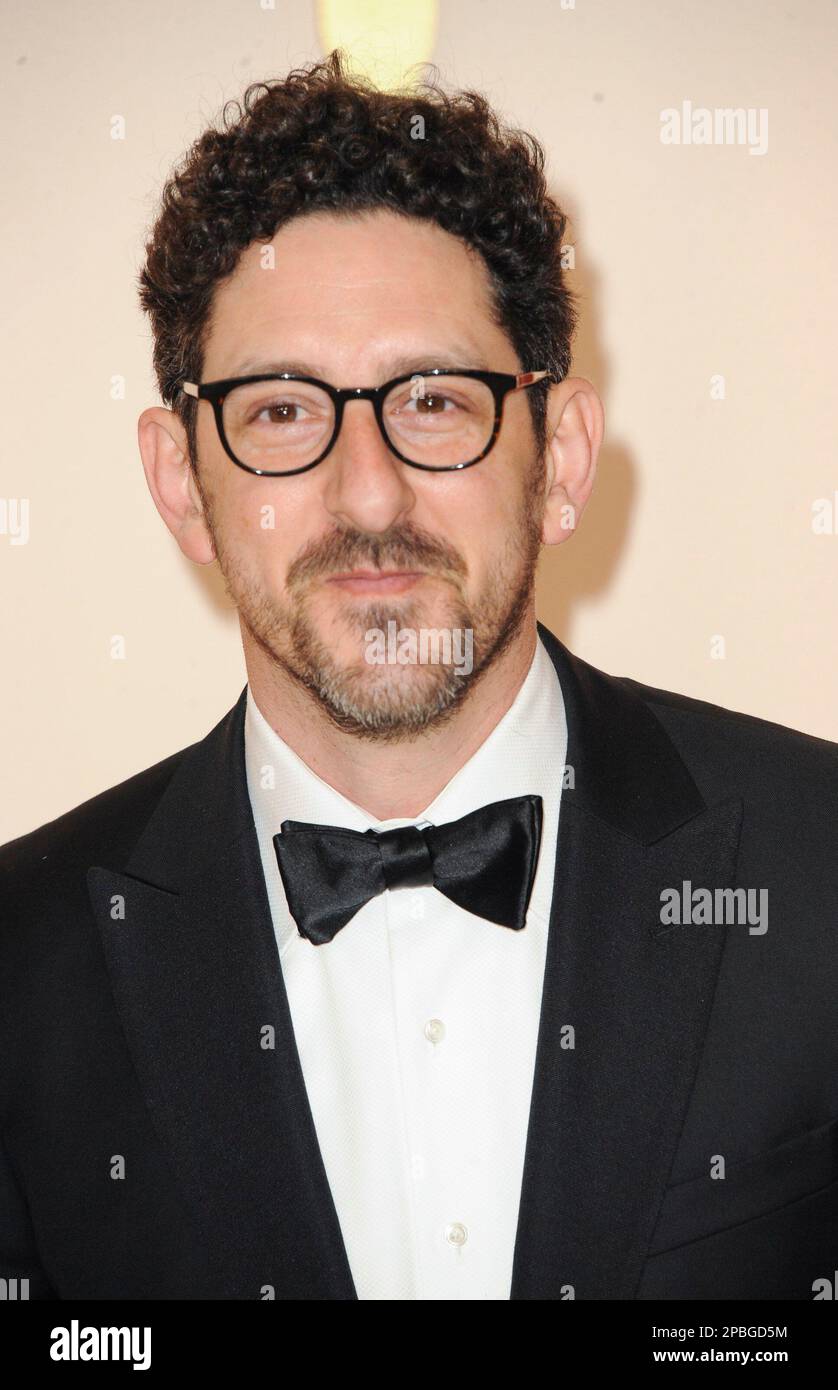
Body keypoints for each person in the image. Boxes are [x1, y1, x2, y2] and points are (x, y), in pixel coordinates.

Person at [1, 50, 836, 1303]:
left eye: (434, 401)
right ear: (182, 483)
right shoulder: (24, 961)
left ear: (557, 458)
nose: (368, 494)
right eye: (282, 411)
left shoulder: (817, 862)